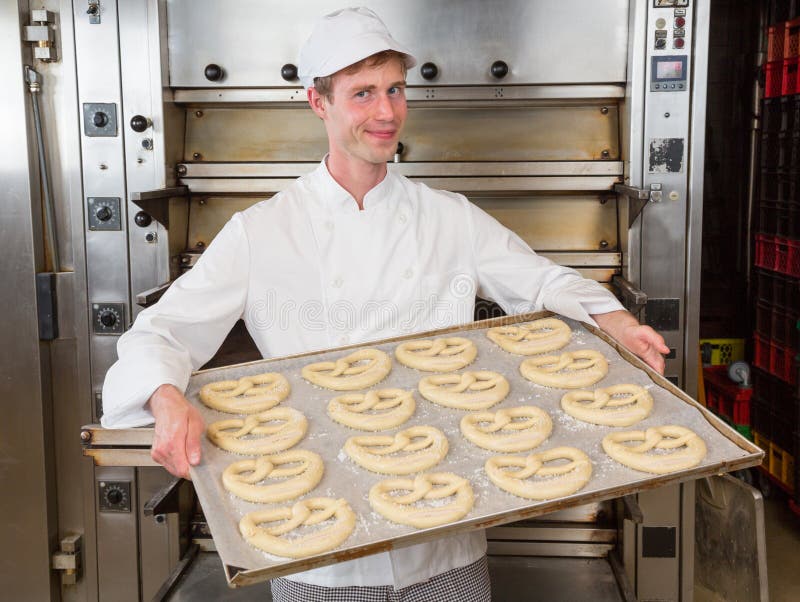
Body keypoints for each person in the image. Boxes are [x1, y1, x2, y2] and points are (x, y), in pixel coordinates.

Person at [102, 7, 669, 601]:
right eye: (362, 93)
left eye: (396, 89)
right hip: (315, 543)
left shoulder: (449, 217)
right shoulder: (262, 231)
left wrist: (615, 319)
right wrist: (165, 398)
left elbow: (544, 281)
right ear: (317, 102)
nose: (385, 112)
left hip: (446, 530)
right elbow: (158, 333)